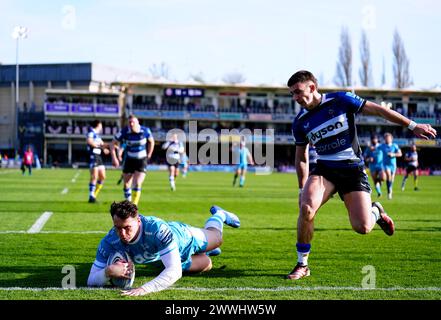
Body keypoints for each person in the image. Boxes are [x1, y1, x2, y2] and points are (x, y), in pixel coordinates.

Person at [287, 70, 437, 280]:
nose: (295, 98)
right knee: (306, 208)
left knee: (363, 227)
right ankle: (302, 264)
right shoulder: (300, 122)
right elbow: (301, 158)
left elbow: (379, 111)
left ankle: (376, 210)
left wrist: (412, 126)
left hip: (352, 169)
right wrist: (302, 189)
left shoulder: (340, 99)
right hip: (325, 169)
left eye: (298, 92)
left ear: (312, 87)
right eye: (292, 94)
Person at [87, 200, 240, 296]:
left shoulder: (157, 229)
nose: (122, 233)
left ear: (138, 221)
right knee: (207, 264)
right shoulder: (109, 241)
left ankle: (220, 215)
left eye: (127, 227)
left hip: (183, 239)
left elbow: (174, 271)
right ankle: (205, 252)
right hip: (162, 257)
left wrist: (145, 289)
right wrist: (108, 272)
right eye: (117, 228)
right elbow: (91, 279)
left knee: (217, 239)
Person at [111, 115, 155, 206]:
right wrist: (114, 157)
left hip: (142, 160)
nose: (131, 124)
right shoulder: (124, 131)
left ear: (138, 122)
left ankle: (134, 206)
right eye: (129, 122)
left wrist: (149, 153)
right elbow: (112, 143)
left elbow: (152, 141)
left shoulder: (145, 130)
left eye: (133, 122)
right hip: (129, 159)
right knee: (127, 184)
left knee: (137, 183)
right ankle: (128, 203)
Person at [86, 120, 109, 203]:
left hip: (99, 157)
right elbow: (89, 141)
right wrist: (97, 145)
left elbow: (102, 144)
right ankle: (91, 196)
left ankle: (94, 195)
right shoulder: (91, 132)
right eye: (101, 125)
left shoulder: (97, 135)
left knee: (102, 176)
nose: (102, 127)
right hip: (93, 156)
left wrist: (106, 148)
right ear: (98, 125)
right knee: (94, 176)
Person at [379, 132, 402, 200]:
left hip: (393, 165)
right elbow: (376, 149)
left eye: (388, 138)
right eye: (386, 138)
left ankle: (390, 189)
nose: (387, 139)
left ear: (391, 139)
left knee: (391, 179)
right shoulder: (382, 146)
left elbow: (400, 154)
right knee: (388, 175)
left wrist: (393, 154)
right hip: (385, 164)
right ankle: (389, 192)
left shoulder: (395, 146)